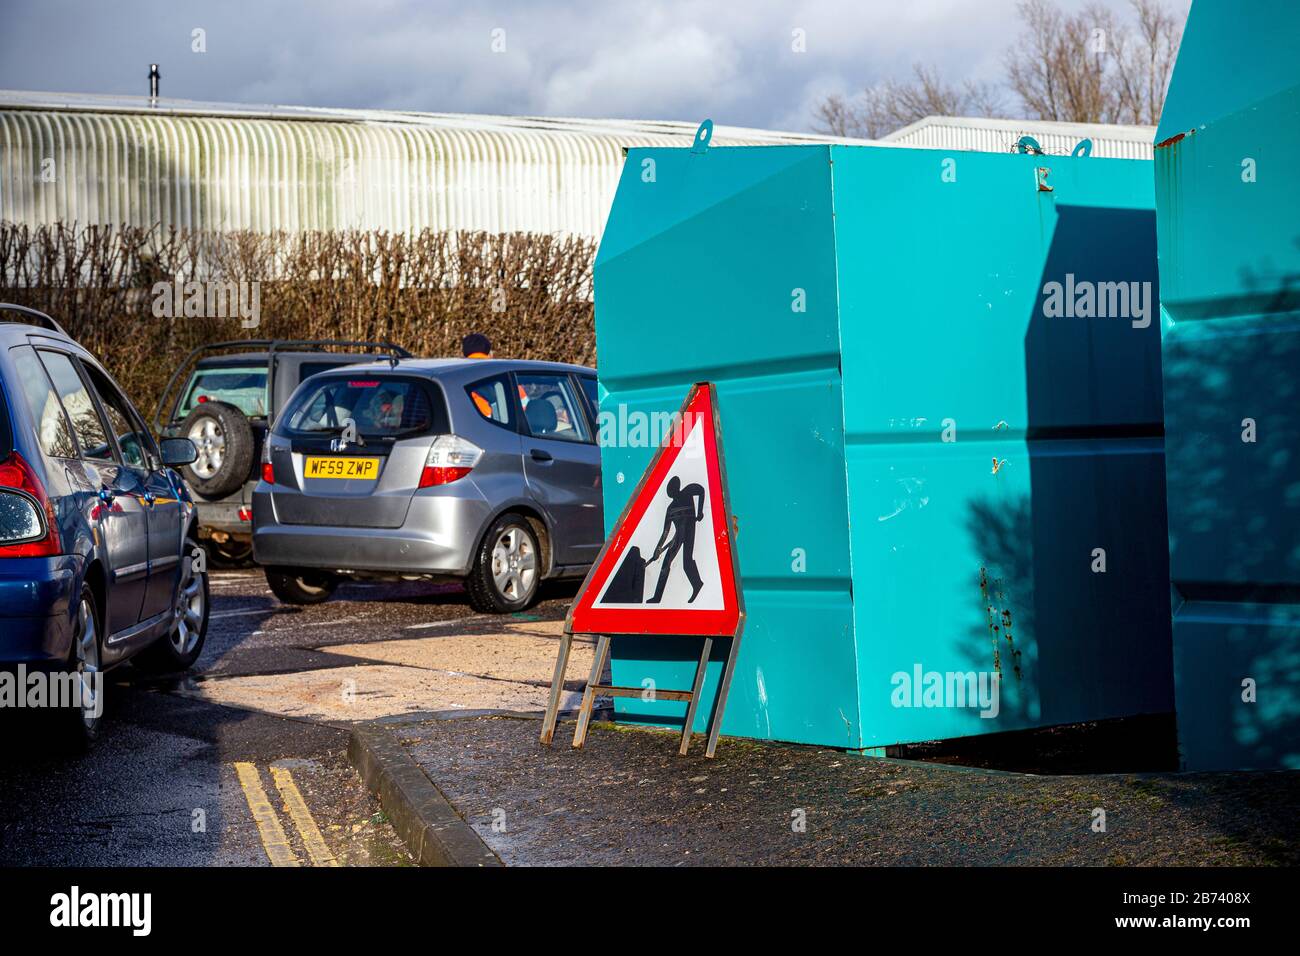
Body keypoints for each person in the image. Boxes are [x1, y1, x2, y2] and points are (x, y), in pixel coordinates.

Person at [648, 476, 705, 604]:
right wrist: (657, 549)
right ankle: (657, 597)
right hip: (678, 536)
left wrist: (700, 511)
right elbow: (665, 532)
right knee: (665, 563)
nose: (672, 492)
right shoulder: (670, 508)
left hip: (690, 531)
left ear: (677, 487)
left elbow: (701, 490)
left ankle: (697, 584)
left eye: (672, 489)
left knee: (687, 562)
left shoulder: (687, 492)